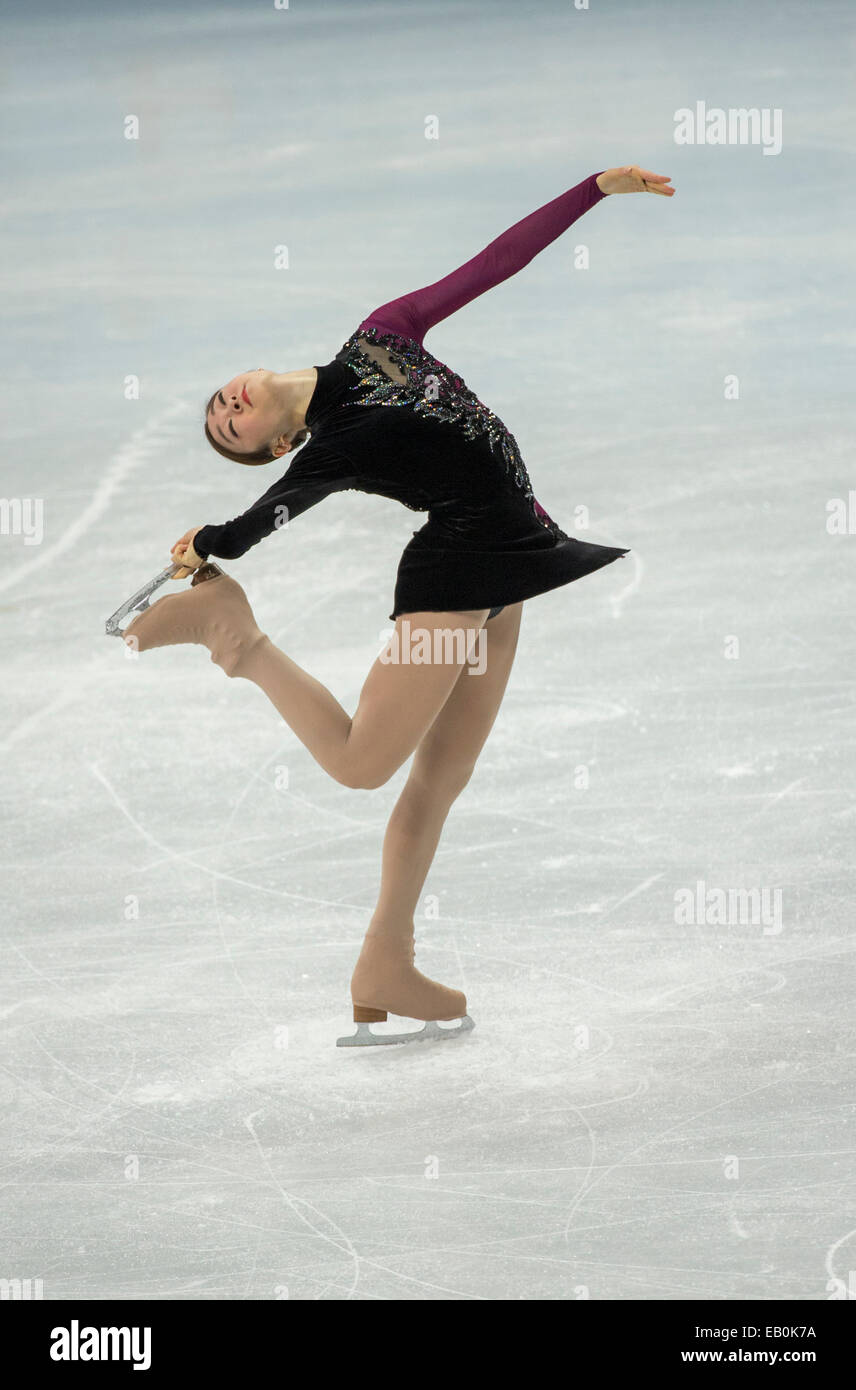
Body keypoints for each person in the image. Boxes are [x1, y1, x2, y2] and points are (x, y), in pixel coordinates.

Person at [125, 164, 675, 1044]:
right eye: (228, 432)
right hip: (456, 575)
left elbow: (488, 266)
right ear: (273, 448)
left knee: (440, 778)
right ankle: (235, 636)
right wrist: (215, 545)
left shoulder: (380, 335)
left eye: (220, 404)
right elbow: (267, 515)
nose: (224, 410)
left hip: (513, 564)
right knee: (361, 763)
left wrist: (591, 191)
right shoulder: (325, 450)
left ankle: (386, 958)